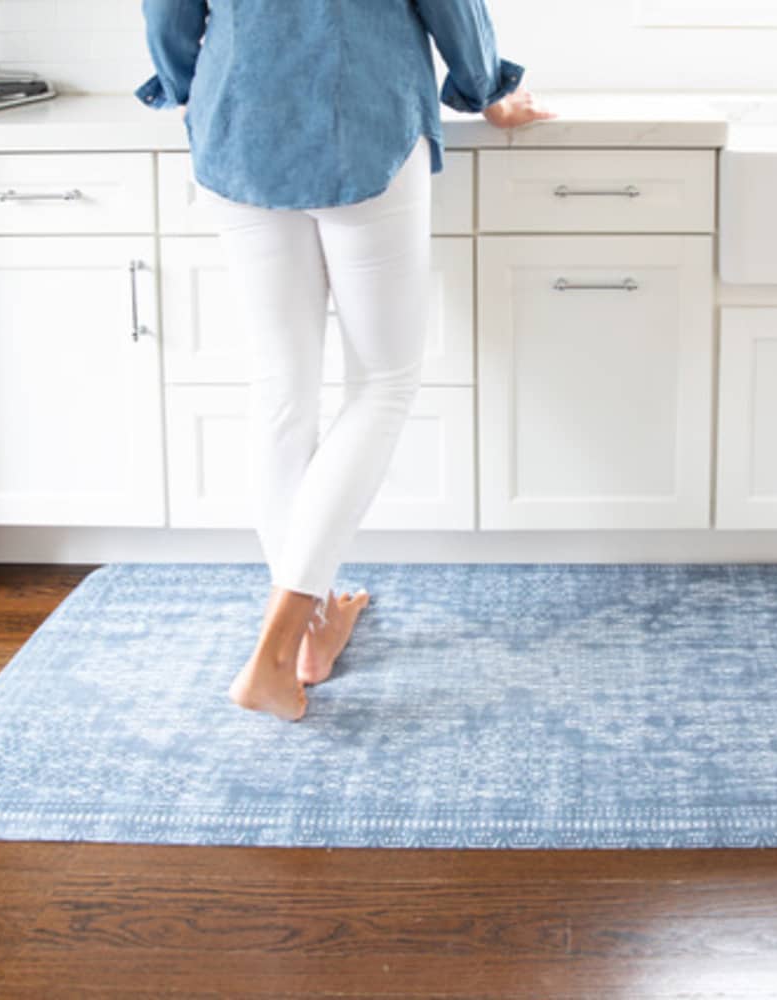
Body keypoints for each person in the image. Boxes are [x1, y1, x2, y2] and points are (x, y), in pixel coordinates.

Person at [137, 1, 554, 722]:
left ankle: (314, 630)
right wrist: (488, 89)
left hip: (238, 119)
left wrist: (188, 87)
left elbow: (168, 13)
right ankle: (279, 646)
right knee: (384, 381)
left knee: (280, 389)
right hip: (364, 115)